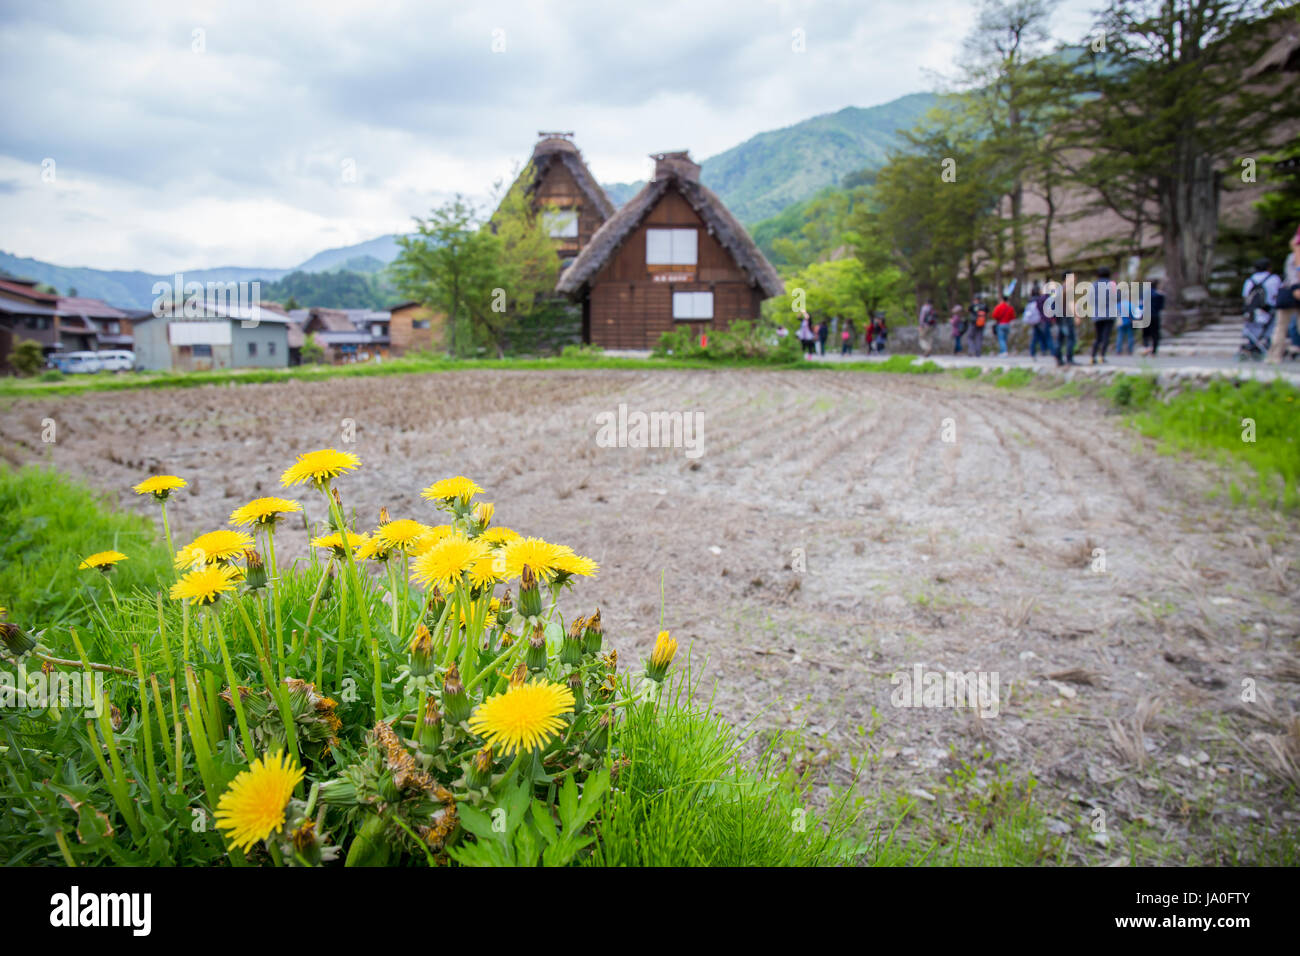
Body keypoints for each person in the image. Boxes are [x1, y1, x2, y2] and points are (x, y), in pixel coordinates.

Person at [1242, 256, 1281, 361]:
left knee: (1253, 330)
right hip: (1269, 309)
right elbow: (1277, 293)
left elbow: (1246, 295)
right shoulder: (1274, 278)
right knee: (1270, 329)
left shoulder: (1250, 280)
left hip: (1252, 311)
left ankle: (1254, 346)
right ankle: (1266, 346)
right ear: (1269, 267)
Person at [1272, 227, 1300, 363]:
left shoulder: (1291, 257)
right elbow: (1293, 275)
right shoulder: (1292, 257)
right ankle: (1274, 355)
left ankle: (1274, 356)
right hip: (1291, 292)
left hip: (1290, 291)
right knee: (1282, 325)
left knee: (1281, 326)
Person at [1047, 275, 1077, 366]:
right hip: (1066, 316)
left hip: (1058, 316)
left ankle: (1058, 358)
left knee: (1060, 338)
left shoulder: (1057, 289)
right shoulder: (1067, 289)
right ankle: (1069, 358)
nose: (1075, 279)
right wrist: (1076, 315)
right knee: (1070, 338)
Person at [1090, 267, 1118, 364]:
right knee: (1106, 336)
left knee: (1098, 337)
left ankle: (1092, 356)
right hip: (1109, 314)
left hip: (1097, 314)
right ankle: (1102, 356)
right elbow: (1117, 297)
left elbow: (1090, 299)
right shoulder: (1112, 285)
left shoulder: (1093, 285)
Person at [1025, 283, 1051, 358]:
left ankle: (1032, 351)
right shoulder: (1040, 299)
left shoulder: (1030, 300)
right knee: (1044, 336)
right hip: (1041, 319)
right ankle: (1046, 350)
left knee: (1036, 336)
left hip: (1033, 320)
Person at [1141, 279, 1165, 356]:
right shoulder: (1159, 295)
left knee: (1145, 332)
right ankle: (1154, 351)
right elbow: (1161, 307)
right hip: (1155, 315)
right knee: (1155, 333)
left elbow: (1141, 305)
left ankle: (1146, 347)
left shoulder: (1144, 294)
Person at [1116, 286, 1142, 355]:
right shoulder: (1131, 304)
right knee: (1130, 336)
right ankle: (1130, 350)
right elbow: (1135, 314)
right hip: (1129, 322)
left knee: (1120, 336)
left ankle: (1118, 351)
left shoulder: (1118, 304)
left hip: (1120, 322)